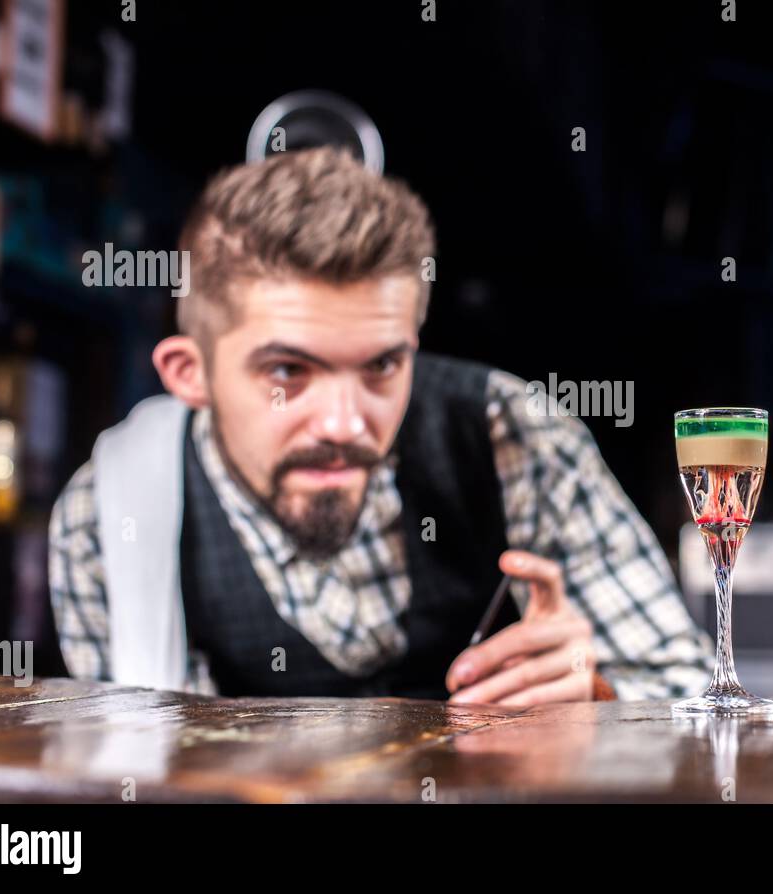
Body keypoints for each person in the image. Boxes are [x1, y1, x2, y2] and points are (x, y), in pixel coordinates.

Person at [48, 146, 714, 706]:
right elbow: (142, 776)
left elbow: (690, 700)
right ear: (189, 373)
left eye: (381, 366)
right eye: (288, 370)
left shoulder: (513, 436)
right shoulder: (109, 522)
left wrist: (593, 697)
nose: (344, 423)